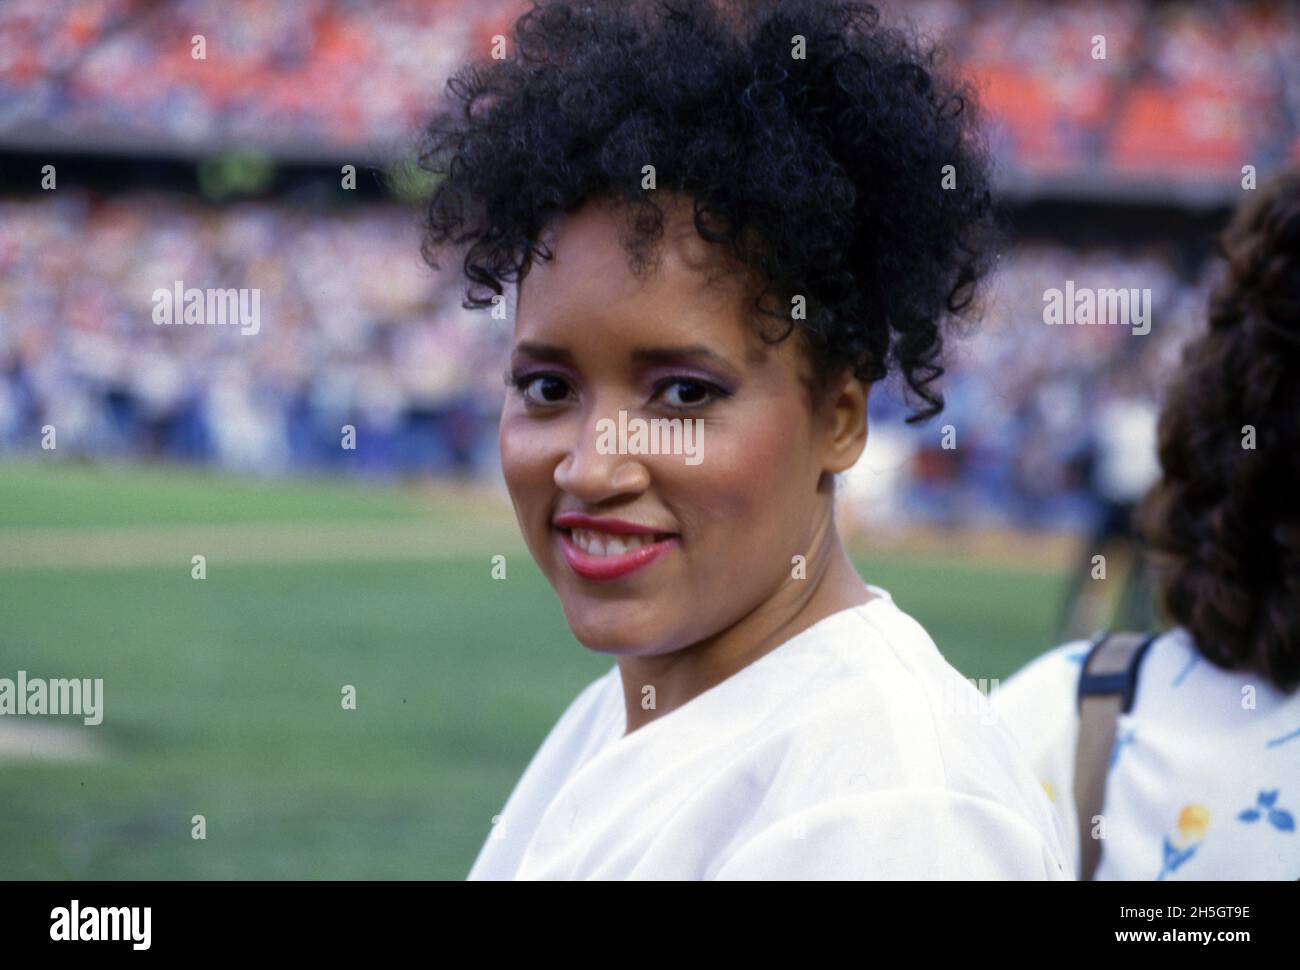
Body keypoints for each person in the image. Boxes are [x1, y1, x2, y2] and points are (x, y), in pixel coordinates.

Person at [422, 0, 1071, 879]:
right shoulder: (624, 707)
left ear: (840, 416)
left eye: (684, 393)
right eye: (547, 388)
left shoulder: (890, 809)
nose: (590, 465)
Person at [991, 168, 1300, 880]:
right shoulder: (1060, 722)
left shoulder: (1054, 719)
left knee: (1117, 592)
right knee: (1098, 581)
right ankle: (1087, 610)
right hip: (1120, 511)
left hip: (1144, 521)